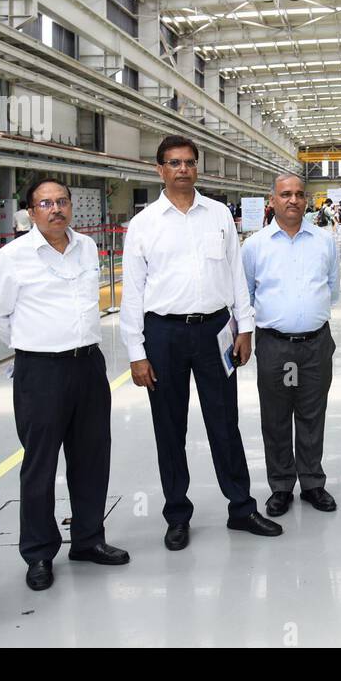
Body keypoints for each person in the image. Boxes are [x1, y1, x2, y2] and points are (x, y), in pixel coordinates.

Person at [120, 135, 282, 549]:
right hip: (164, 333)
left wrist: (245, 328)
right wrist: (137, 354)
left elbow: (235, 277)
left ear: (197, 167)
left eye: (189, 162)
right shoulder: (143, 225)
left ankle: (241, 508)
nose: (183, 169)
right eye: (174, 163)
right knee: (169, 427)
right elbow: (133, 294)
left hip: (215, 330)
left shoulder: (219, 216)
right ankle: (177, 515)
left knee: (224, 421)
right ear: (160, 170)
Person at [0, 177, 130, 592]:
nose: (55, 209)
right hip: (41, 371)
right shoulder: (12, 258)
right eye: (45, 203)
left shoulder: (86, 247)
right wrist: (37, 343)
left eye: (62, 201)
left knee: (91, 457)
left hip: (89, 366)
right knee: (40, 465)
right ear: (32, 212)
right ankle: (39, 553)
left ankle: (87, 539)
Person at [243, 173, 339, 518]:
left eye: (299, 194)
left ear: (307, 200)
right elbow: (247, 295)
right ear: (273, 200)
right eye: (285, 194)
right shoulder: (255, 246)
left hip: (315, 345)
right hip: (276, 347)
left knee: (313, 414)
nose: (293, 200)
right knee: (277, 416)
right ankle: (281, 485)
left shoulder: (325, 241)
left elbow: (332, 287)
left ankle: (312, 482)